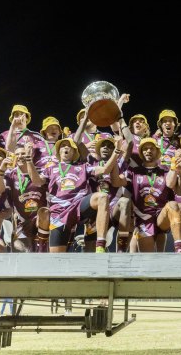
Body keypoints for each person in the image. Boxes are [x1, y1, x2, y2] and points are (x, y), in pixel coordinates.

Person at [35, 108, 123, 253]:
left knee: (102, 197)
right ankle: (45, 246)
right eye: (62, 146)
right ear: (58, 152)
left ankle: (100, 244)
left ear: (75, 152)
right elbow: (37, 181)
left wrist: (117, 152)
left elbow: (104, 170)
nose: (66, 148)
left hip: (79, 205)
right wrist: (28, 161)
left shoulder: (83, 166)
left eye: (69, 147)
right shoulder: (50, 168)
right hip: (59, 212)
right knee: (56, 258)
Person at [111, 137, 181, 252]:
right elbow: (115, 182)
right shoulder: (133, 171)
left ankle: (179, 249)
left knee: (173, 205)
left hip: (161, 217)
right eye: (145, 149)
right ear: (141, 153)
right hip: (143, 219)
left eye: (151, 148)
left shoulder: (165, 171)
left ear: (158, 152)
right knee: (147, 259)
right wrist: (115, 155)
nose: (148, 151)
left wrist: (175, 165)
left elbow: (171, 184)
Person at [0, 142, 47, 252]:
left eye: (23, 153)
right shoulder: (10, 174)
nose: (20, 156)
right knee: (21, 253)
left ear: (29, 154)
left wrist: (29, 161)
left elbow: (38, 182)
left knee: (42, 255)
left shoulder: (41, 170)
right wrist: (1, 170)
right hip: (22, 222)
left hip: (40, 222)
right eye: (17, 154)